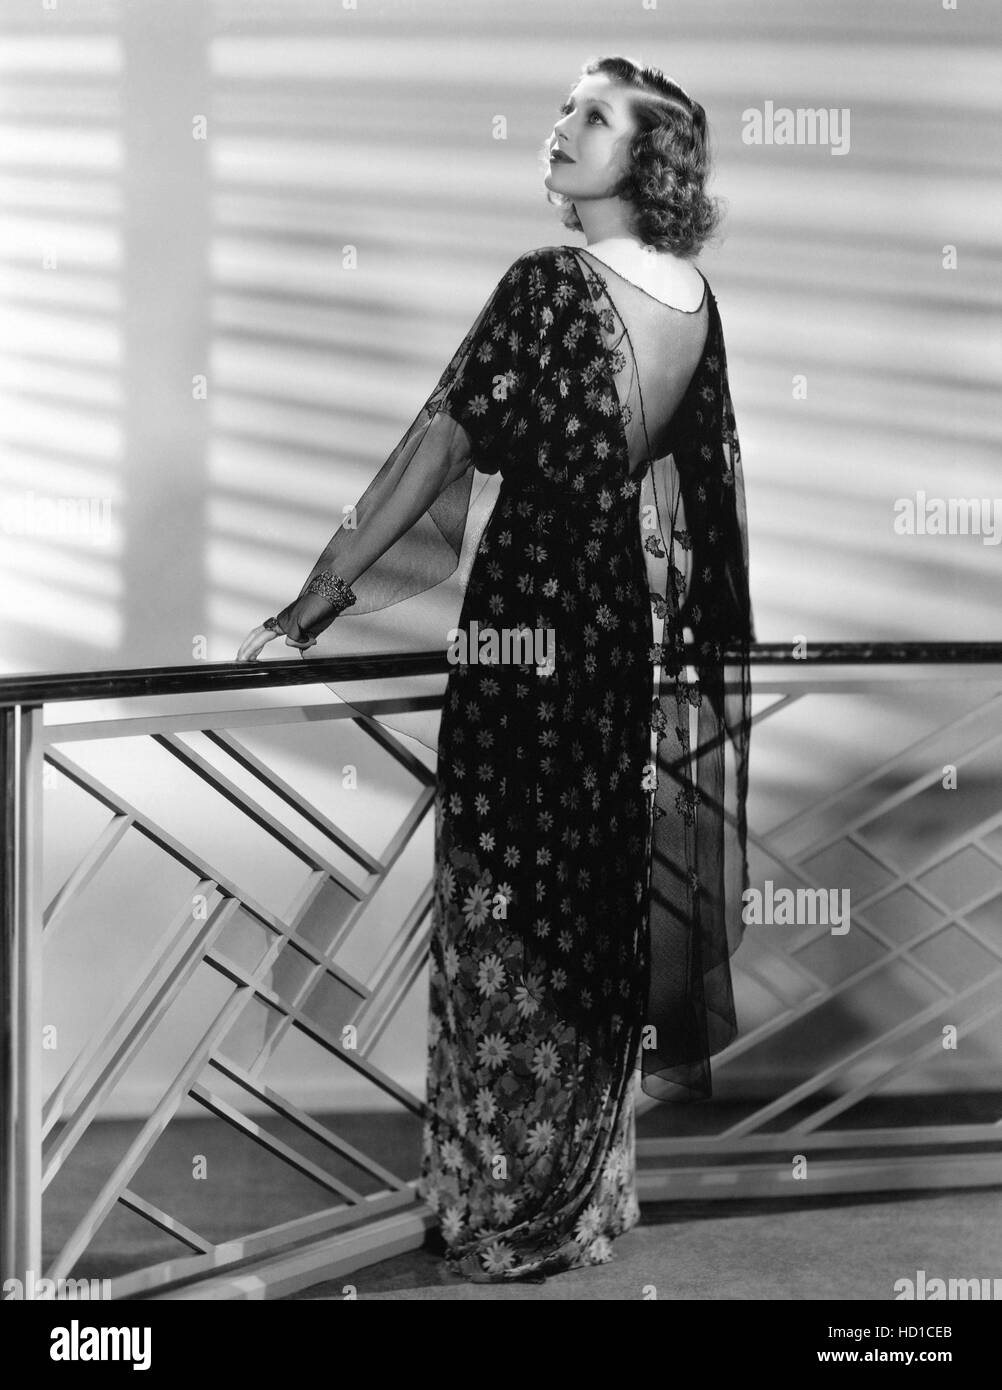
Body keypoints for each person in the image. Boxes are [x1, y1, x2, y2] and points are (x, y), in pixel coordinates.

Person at [236, 55, 755, 1283]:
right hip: (614, 640)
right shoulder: (696, 301)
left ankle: (499, 1200)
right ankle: (578, 1198)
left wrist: (320, 593)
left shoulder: (547, 284)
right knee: (584, 897)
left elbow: (441, 443)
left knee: (497, 903)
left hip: (522, 630)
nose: (560, 130)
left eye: (592, 117)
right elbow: (703, 501)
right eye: (565, 108)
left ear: (647, 159)